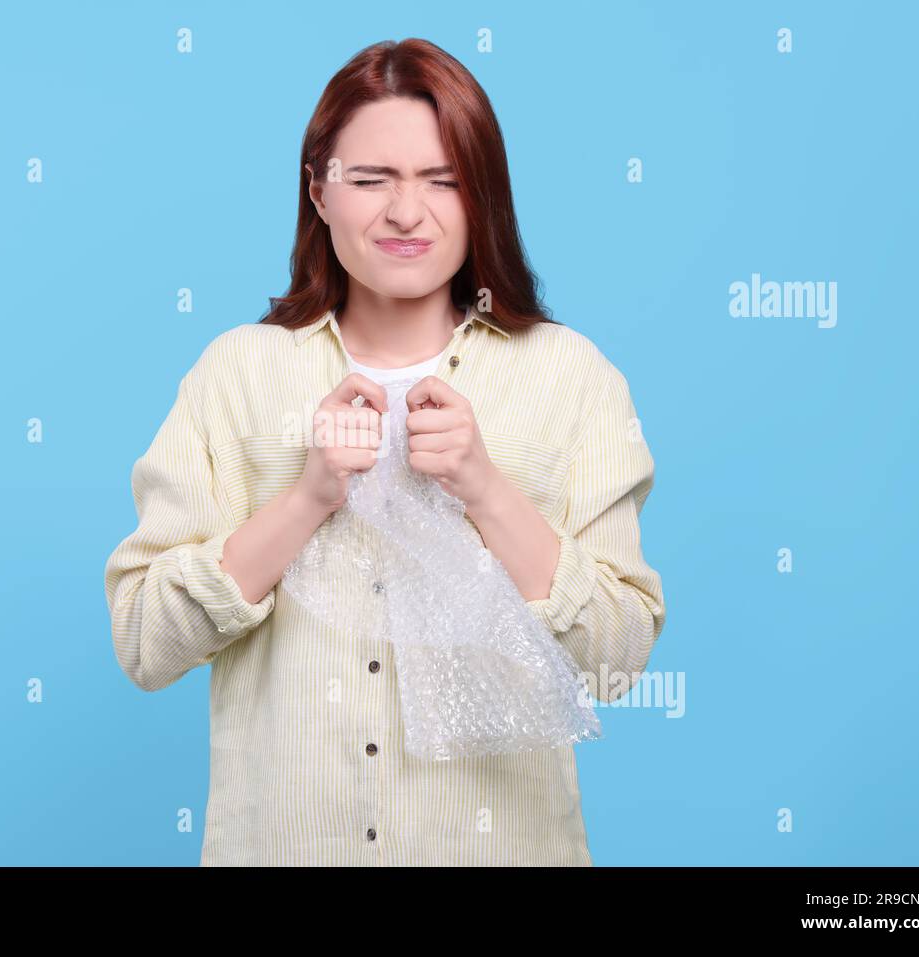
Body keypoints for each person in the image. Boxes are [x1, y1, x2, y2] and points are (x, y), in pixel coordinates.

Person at [103, 37, 666, 866]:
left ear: (484, 199)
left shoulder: (570, 377)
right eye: (371, 180)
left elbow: (618, 661)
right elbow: (145, 643)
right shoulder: (237, 373)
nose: (407, 213)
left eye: (444, 182)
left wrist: (486, 489)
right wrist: (304, 501)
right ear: (320, 192)